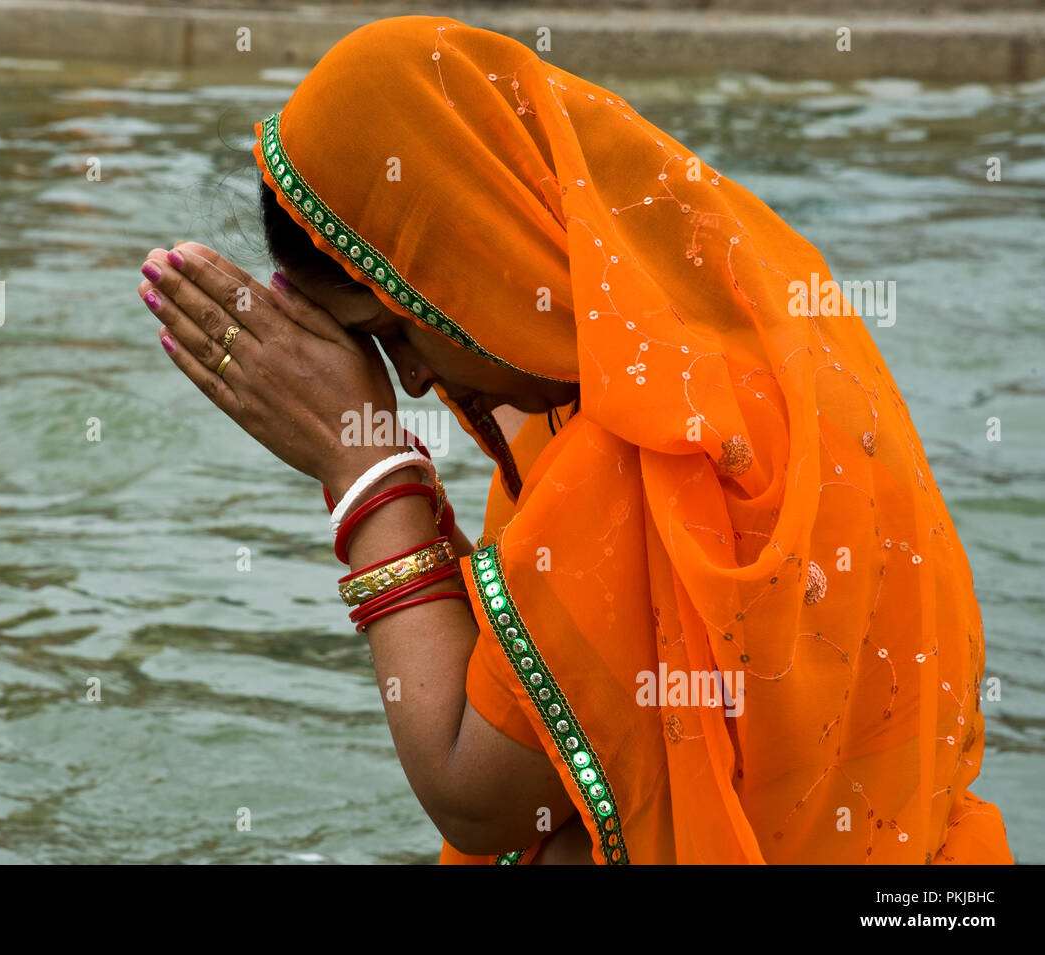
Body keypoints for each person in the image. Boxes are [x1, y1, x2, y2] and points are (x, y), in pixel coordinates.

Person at [136, 15, 1014, 864]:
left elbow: (474, 791)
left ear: (476, 266)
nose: (405, 381)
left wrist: (364, 467)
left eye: (397, 332)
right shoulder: (760, 293)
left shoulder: (636, 452)